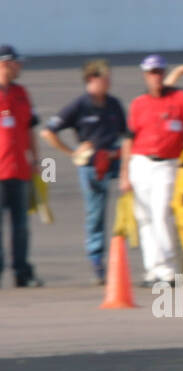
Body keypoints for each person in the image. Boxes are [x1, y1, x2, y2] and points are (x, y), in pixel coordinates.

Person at [41, 59, 126, 283]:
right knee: (95, 212)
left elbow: (127, 135)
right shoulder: (79, 105)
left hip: (115, 160)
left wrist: (120, 156)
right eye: (105, 77)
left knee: (133, 203)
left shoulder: (114, 104)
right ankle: (98, 260)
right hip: (91, 165)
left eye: (109, 77)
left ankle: (132, 252)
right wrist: (72, 152)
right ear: (91, 79)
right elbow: (48, 131)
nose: (109, 82)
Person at [119, 55, 183, 285]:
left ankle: (169, 268)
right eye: (152, 73)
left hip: (167, 163)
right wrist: (125, 173)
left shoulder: (179, 98)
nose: (156, 77)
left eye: (159, 72)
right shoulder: (138, 104)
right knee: (145, 218)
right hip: (140, 163)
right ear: (145, 75)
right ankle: (152, 268)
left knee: (162, 212)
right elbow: (128, 139)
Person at [0, 44, 42, 287]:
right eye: (17, 63)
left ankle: (22, 272)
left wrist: (36, 161)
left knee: (21, 227)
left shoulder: (22, 93)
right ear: (5, 64)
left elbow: (31, 129)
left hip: (20, 171)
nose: (20, 67)